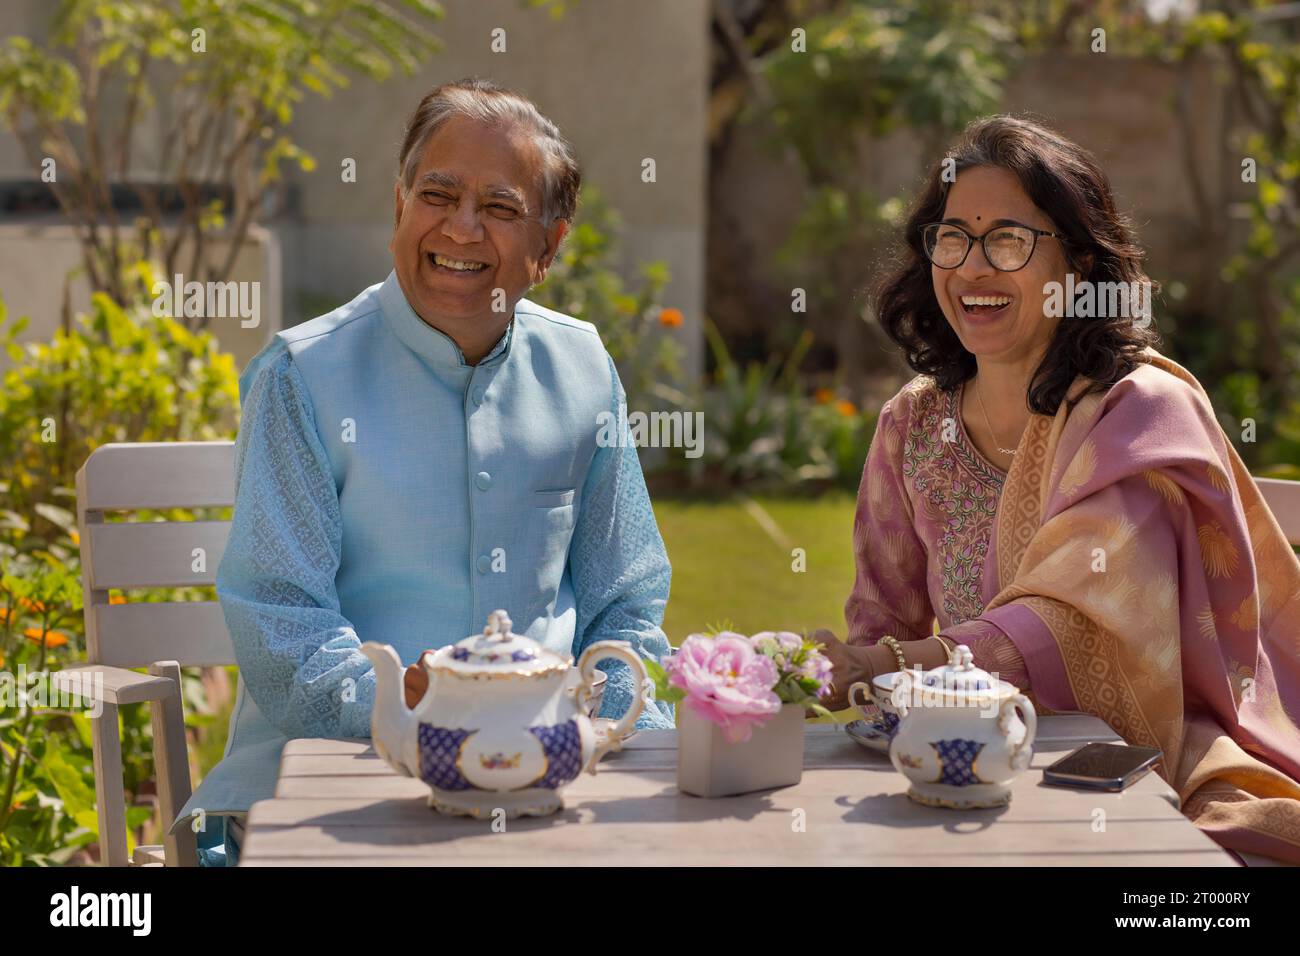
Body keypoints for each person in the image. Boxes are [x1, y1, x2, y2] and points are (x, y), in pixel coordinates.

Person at [173, 78, 675, 865]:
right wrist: (414, 721)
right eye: (437, 194)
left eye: (502, 209)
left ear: (549, 247)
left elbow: (628, 602)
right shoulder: (302, 376)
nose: (462, 227)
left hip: (545, 789)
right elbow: (283, 620)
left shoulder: (583, 367)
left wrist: (601, 734)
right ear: (398, 205)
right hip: (317, 793)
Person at [813, 115, 1300, 865]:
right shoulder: (913, 423)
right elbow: (882, 620)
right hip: (968, 757)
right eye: (953, 238)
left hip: (1160, 754)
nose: (973, 268)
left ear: (1075, 264)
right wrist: (827, 673)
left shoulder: (1136, 411)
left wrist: (888, 664)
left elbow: (1072, 616)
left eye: (1007, 240)